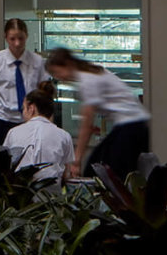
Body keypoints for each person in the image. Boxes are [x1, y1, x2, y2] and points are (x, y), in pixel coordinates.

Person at [43, 46, 151, 178]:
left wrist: (76, 160)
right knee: (100, 166)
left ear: (68, 64)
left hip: (131, 126)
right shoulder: (91, 72)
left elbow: (86, 124)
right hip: (131, 124)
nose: (58, 77)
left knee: (100, 171)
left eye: (56, 72)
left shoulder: (88, 80)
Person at [0, 19, 47, 151]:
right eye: (12, 39)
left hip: (28, 119)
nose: (17, 43)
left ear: (26, 36)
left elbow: (44, 95)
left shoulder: (37, 61)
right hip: (0, 117)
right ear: (6, 38)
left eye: (21, 38)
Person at [3, 85, 75, 185]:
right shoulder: (65, 136)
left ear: (31, 108)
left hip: (21, 196)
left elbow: (6, 168)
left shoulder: (13, 133)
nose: (23, 113)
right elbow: (66, 175)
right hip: (52, 196)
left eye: (23, 108)